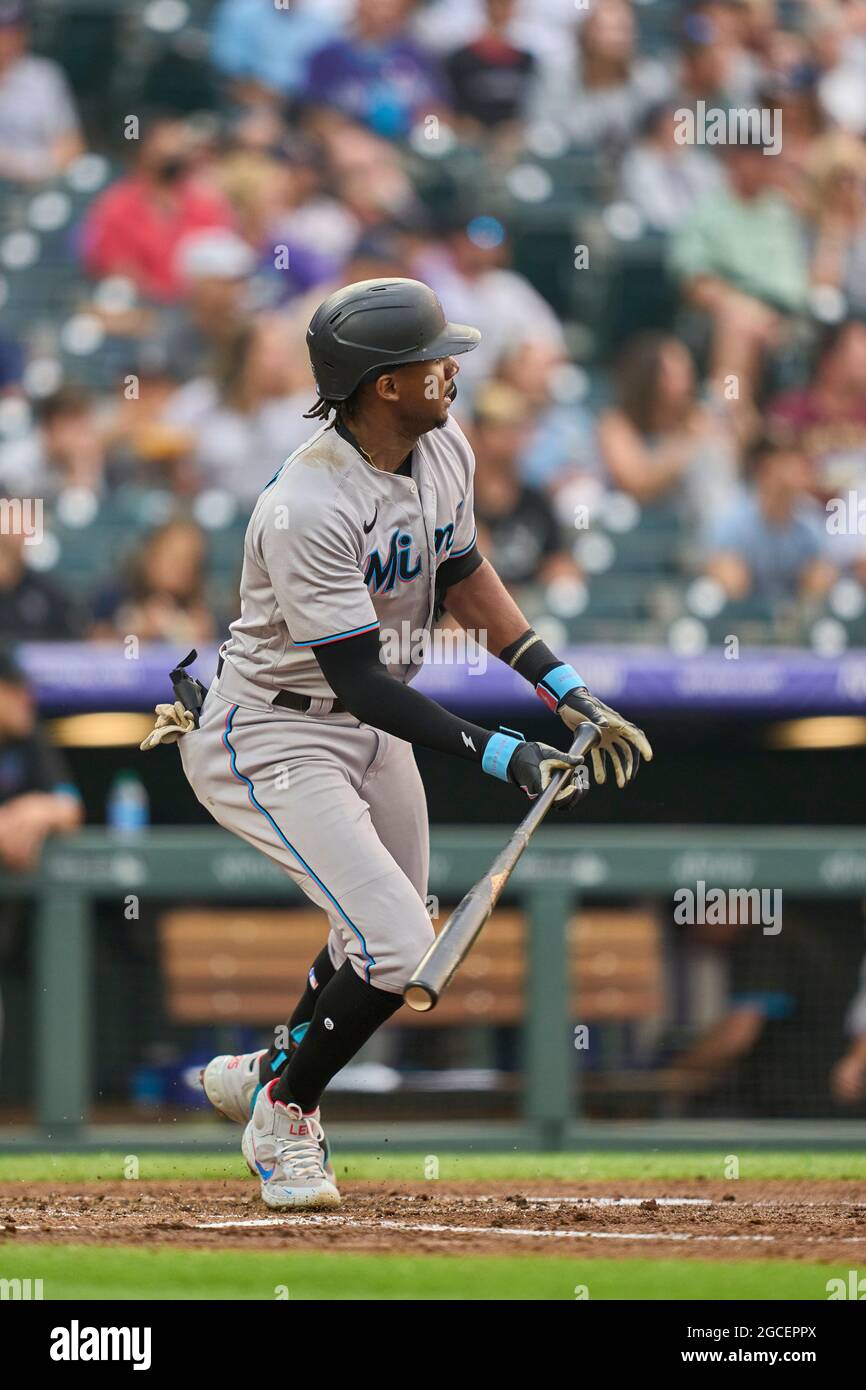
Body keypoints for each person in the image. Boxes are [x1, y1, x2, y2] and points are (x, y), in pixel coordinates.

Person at [144, 278, 652, 1209]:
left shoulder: (443, 446)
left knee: (386, 945)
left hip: (372, 731)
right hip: (274, 732)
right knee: (395, 941)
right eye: (433, 359)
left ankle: (269, 1070)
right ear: (384, 384)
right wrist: (503, 751)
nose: (452, 369)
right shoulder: (308, 502)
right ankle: (285, 1115)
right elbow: (359, 680)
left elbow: (463, 575)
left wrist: (566, 690)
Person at [80, 114, 234, 303]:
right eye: (166, 137)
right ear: (143, 149)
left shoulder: (206, 203)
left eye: (178, 138)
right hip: (142, 310)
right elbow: (116, 269)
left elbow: (224, 263)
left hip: (200, 313)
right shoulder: (116, 206)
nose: (177, 146)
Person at [597, 332, 740, 528]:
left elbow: (740, 439)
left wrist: (736, 409)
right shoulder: (616, 423)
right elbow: (636, 483)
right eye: (675, 374)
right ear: (649, 377)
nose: (686, 381)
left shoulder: (698, 417)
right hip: (634, 523)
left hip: (700, 521)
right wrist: (690, 441)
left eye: (687, 372)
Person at [469, 380, 580, 588]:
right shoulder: (456, 501)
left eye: (516, 428)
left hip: (527, 611)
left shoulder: (535, 501)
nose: (510, 438)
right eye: (498, 428)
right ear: (477, 432)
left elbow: (559, 559)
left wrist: (559, 572)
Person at [703, 436, 836, 606]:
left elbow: (821, 579)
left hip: (793, 620)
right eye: (789, 459)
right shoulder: (732, 518)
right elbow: (731, 586)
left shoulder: (809, 518)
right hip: (744, 622)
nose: (802, 466)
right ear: (766, 468)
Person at [302, 0, 450, 142]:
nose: (385, 12)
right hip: (352, 147)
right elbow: (315, 116)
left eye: (392, 5)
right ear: (360, 5)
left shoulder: (417, 55)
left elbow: (436, 109)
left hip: (408, 144)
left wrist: (431, 137)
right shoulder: (329, 56)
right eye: (378, 4)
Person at [0, 0, 84, 183]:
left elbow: (71, 148)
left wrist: (25, 167)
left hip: (36, 184)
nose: (6, 40)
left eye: (13, 32)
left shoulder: (43, 77)